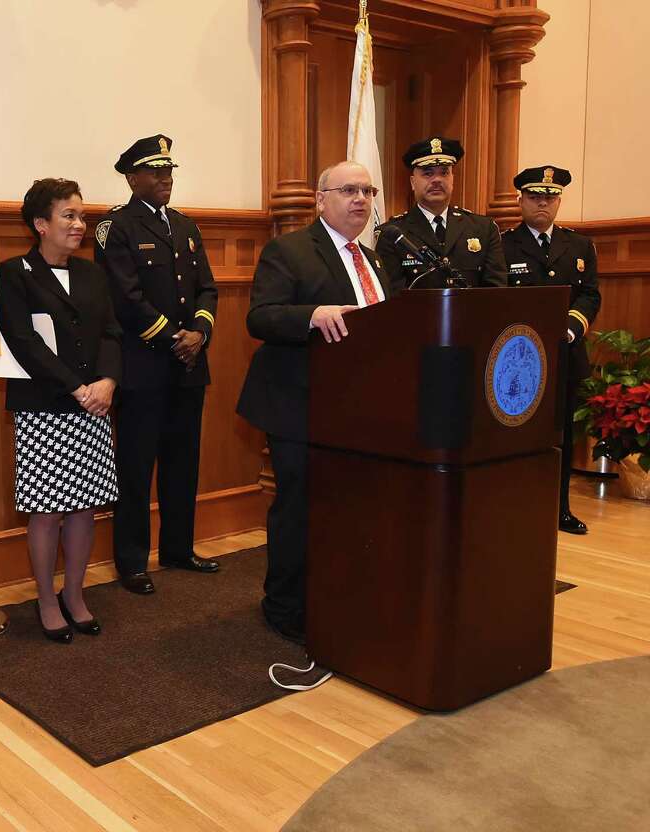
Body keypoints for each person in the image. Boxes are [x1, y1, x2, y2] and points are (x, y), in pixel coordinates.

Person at [236, 161, 394, 645]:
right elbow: (261, 317)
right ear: (321, 200)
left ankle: (338, 595)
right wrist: (313, 315)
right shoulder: (289, 250)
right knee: (300, 507)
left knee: (348, 507)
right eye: (349, 190)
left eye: (368, 191)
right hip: (298, 404)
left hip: (357, 407)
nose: (361, 199)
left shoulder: (375, 259)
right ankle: (284, 606)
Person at [0, 178, 121, 642]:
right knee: (47, 510)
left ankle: (75, 594)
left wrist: (107, 382)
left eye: (82, 216)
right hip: (44, 407)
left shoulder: (92, 274)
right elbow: (23, 342)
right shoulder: (14, 273)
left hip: (95, 405)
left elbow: (111, 333)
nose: (79, 224)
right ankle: (46, 599)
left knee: (85, 507)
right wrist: (77, 389)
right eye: (69, 215)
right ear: (40, 224)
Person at [94, 134, 219, 595]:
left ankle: (178, 549)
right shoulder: (116, 227)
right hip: (144, 367)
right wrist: (174, 338)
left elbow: (207, 288)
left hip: (188, 366)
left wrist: (200, 332)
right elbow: (125, 299)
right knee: (136, 465)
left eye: (169, 171)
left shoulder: (185, 226)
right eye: (155, 171)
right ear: (132, 178)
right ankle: (132, 562)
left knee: (183, 462)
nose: (166, 178)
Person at [502, 165, 601, 535]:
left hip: (565, 355)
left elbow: (590, 294)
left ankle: (559, 509)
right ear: (520, 200)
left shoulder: (579, 246)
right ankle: (515, 507)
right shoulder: (502, 244)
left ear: (558, 201)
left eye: (550, 197)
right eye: (534, 196)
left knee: (561, 437)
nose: (542, 203)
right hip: (517, 360)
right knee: (516, 436)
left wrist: (572, 326)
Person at [375, 137, 506, 289]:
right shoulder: (392, 234)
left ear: (452, 180)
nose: (437, 180)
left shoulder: (483, 229)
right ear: (412, 182)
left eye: (444, 173)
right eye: (428, 173)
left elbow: (496, 291)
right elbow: (392, 295)